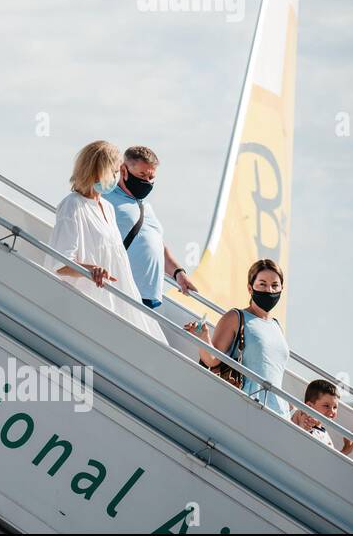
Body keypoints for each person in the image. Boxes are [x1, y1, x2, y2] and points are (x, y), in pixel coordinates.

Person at [46, 140, 167, 343]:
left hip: (123, 298)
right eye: (112, 171)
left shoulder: (106, 207)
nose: (116, 177)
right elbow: (59, 263)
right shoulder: (72, 207)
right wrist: (91, 269)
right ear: (96, 172)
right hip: (94, 303)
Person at [186, 258, 291, 417]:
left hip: (277, 410)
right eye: (262, 284)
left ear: (282, 288)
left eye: (275, 285)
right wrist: (203, 337)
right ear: (250, 288)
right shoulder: (236, 317)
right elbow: (212, 360)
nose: (269, 290)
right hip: (247, 404)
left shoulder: (276, 326)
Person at [104, 146, 197, 309]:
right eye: (141, 175)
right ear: (123, 170)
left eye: (151, 177)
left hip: (148, 296)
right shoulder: (106, 197)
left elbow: (159, 247)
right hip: (121, 291)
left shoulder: (146, 207)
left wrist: (178, 273)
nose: (146, 181)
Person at [290, 379, 353, 455]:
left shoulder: (322, 433)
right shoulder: (303, 422)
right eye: (326, 406)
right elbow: (326, 461)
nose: (332, 411)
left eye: (335, 407)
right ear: (309, 406)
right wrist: (345, 450)